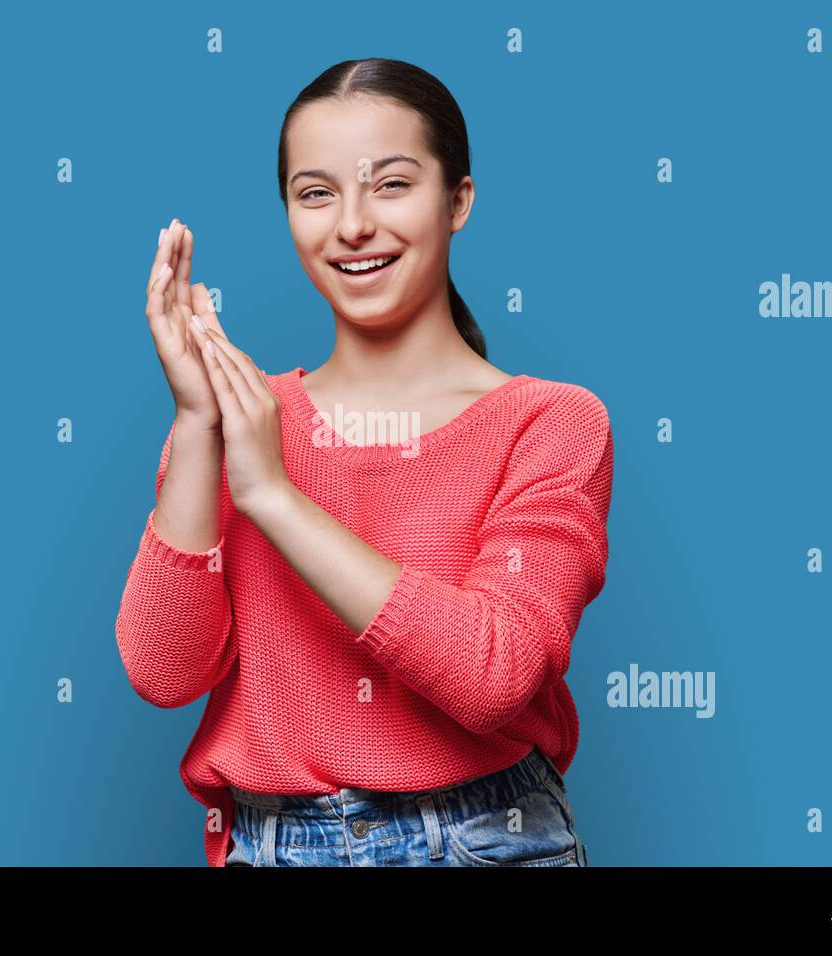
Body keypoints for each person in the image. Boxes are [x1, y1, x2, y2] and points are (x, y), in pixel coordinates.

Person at [116, 58, 613, 867]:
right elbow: (164, 671)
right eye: (316, 193)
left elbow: (495, 675)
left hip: (488, 840)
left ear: (458, 201)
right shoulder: (235, 421)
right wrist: (198, 422)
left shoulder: (551, 422)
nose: (352, 225)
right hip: (275, 843)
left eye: (390, 184)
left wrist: (275, 496)